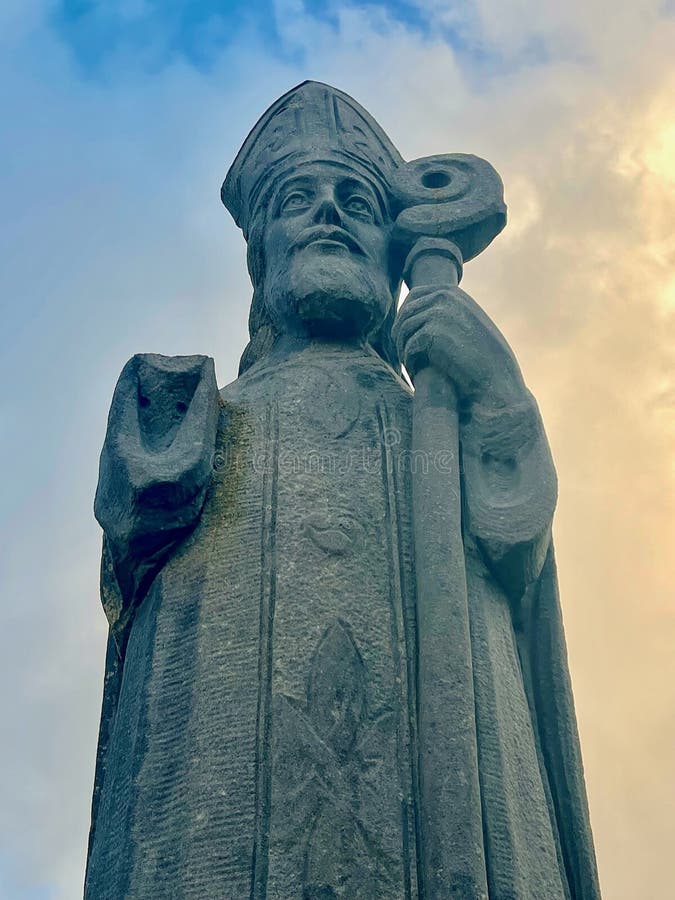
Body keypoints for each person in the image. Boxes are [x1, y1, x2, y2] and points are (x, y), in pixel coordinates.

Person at [85, 81, 600, 899]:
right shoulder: (188, 410)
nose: (329, 214)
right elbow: (135, 543)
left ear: (392, 253)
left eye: (356, 202)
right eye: (299, 199)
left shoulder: (440, 419)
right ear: (262, 249)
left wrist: (499, 398)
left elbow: (512, 545)